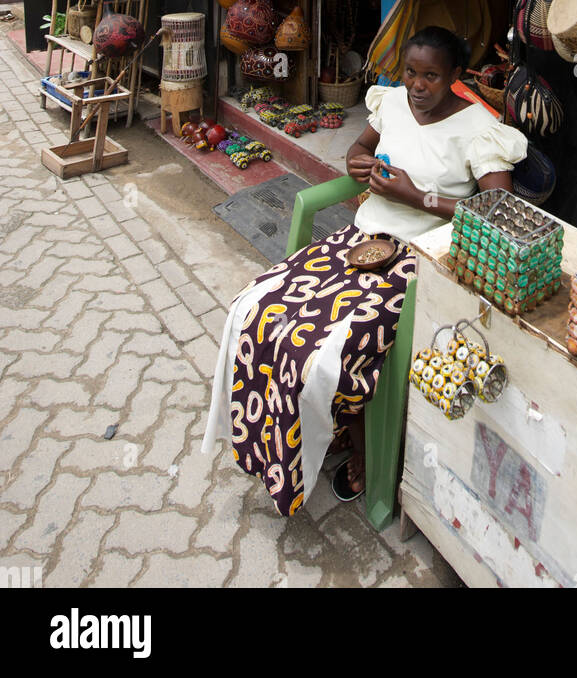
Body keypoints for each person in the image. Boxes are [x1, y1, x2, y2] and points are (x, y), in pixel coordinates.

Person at [203, 26, 527, 512]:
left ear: (457, 77)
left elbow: (496, 210)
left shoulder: (479, 129)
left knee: (329, 345)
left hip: (423, 260)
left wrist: (415, 197)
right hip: (359, 241)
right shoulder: (393, 104)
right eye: (411, 73)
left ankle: (359, 441)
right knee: (256, 309)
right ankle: (298, 431)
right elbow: (360, 150)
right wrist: (358, 164)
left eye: (432, 77)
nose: (417, 86)